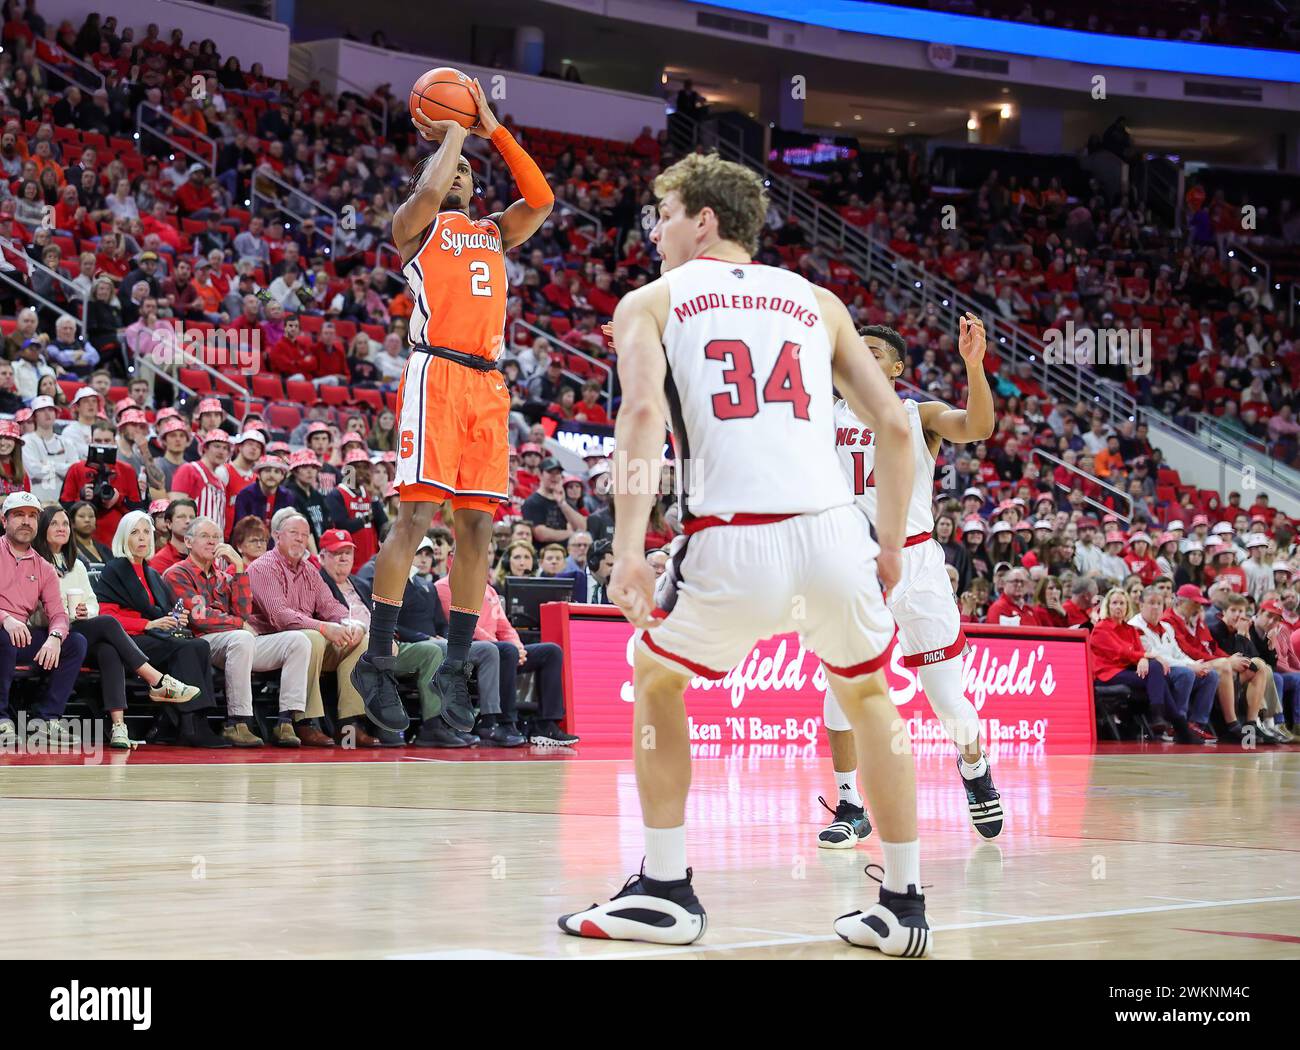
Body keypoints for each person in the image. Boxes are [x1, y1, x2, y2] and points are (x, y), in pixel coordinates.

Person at [558, 153, 925, 954]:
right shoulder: (819, 301)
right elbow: (897, 427)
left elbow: (644, 415)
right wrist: (890, 545)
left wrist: (627, 547)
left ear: (705, 222)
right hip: (835, 531)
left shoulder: (650, 301)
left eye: (664, 214)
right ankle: (903, 907)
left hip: (736, 533)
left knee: (655, 674)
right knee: (870, 700)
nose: (653, 232)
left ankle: (664, 889)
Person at [351, 77, 555, 742]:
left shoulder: (496, 232)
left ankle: (457, 664)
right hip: (435, 372)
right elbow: (432, 190)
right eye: (453, 168)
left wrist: (490, 126)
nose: (463, 173)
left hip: (488, 387)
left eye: (470, 171)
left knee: (476, 534)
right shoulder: (415, 225)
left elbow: (543, 198)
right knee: (414, 516)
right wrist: (452, 132)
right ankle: (377, 659)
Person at [817, 318, 1001, 843]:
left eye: (873, 351)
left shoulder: (920, 415)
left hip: (917, 561)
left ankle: (974, 769)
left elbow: (981, 428)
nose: (860, 356)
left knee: (947, 699)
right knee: (842, 683)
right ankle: (851, 805)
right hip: (851, 563)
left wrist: (973, 365)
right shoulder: (818, 416)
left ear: (897, 368)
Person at [33, 505, 199, 749]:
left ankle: (119, 726)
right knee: (109, 628)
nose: (61, 528)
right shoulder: (34, 561)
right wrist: (69, 614)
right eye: (55, 524)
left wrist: (82, 612)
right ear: (43, 529)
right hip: (51, 633)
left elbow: (92, 605)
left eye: (65, 524)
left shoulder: (76, 565)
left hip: (79, 633)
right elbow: (35, 607)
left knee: (109, 649)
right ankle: (156, 681)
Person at [164, 516, 315, 748]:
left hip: (236, 641)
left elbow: (244, 611)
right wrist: (238, 623)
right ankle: (237, 722)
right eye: (205, 536)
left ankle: (285, 721)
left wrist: (240, 569)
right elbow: (199, 618)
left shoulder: (224, 576)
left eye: (216, 537)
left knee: (298, 640)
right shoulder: (177, 573)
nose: (212, 541)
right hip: (200, 642)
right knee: (242, 637)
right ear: (188, 541)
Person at [92, 510, 229, 748]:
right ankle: (189, 724)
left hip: (152, 637)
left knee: (198, 645)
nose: (142, 538)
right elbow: (106, 616)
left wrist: (175, 619)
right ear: (124, 537)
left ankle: (194, 719)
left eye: (147, 532)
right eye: (135, 533)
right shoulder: (114, 569)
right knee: (184, 649)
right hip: (128, 641)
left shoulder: (152, 573)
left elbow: (161, 612)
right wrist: (149, 624)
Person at [317, 528, 451, 747]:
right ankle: (380, 723)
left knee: (432, 651)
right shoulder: (318, 583)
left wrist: (387, 635)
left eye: (347, 553)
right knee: (373, 647)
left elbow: (382, 616)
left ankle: (433, 725)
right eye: (336, 553)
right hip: (345, 643)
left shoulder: (360, 584)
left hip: (383, 640)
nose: (343, 558)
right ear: (322, 557)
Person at [434, 546, 574, 746]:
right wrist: (504, 647)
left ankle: (546, 724)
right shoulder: (443, 587)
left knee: (551, 651)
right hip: (469, 650)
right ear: (451, 559)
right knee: (504, 651)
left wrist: (518, 647)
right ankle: (505, 722)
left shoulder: (489, 589)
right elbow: (465, 626)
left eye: (484, 555)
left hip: (499, 649)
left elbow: (505, 627)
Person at [247, 513, 365, 747]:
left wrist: (353, 625)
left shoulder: (310, 571)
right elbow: (279, 616)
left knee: (362, 641)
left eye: (304, 535)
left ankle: (348, 724)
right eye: (293, 534)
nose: (300, 540)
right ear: (277, 536)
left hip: (307, 643)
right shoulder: (262, 567)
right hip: (270, 642)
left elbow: (330, 606)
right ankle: (304, 721)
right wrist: (323, 627)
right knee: (312, 637)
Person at [0, 491, 91, 749]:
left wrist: (55, 637)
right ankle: (1, 719)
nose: (26, 522)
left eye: (32, 516)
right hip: (4, 632)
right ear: (4, 520)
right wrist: (5, 618)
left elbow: (59, 614)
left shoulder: (44, 567)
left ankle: (45, 720)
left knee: (76, 642)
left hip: (19, 637)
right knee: (4, 636)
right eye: (19, 515)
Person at [1090, 588, 1201, 745]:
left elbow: (1138, 652)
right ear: (1108, 605)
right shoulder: (1101, 628)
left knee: (1155, 669)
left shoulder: (1130, 629)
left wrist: (1143, 658)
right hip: (1107, 674)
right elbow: (1121, 651)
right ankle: (1177, 724)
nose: (1118, 607)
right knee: (1157, 671)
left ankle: (1160, 717)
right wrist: (1147, 656)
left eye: (1122, 603)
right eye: (1114, 603)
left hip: (1126, 670)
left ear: (1127, 606)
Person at [1162, 585, 1263, 745]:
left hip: (1202, 663)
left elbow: (1210, 646)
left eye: (1200, 604)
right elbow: (1187, 650)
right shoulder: (1168, 621)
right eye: (1195, 603)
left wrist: (1230, 656)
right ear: (1181, 602)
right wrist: (1228, 660)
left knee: (1258, 667)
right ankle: (1231, 724)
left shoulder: (1196, 620)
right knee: (1223, 666)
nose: (1198, 607)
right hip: (1185, 665)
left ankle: (1251, 724)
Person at [1127, 585, 1219, 743]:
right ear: (1141, 605)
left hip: (1174, 667)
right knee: (1186, 674)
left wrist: (1196, 664)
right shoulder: (1135, 626)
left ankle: (1197, 724)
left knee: (1211, 675)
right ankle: (1177, 724)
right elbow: (1158, 657)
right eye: (1151, 603)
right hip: (1153, 671)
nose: (1156, 607)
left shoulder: (1166, 627)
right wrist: (1190, 667)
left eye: (1159, 603)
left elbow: (1177, 653)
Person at [169, 429, 231, 527]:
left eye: (225, 448)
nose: (221, 451)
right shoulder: (190, 470)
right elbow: (176, 509)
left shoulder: (221, 483)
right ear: (205, 448)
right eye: (217, 446)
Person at [147, 498, 195, 574]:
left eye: (192, 517)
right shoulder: (159, 561)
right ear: (169, 523)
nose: (188, 521)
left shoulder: (202, 556)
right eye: (181, 516)